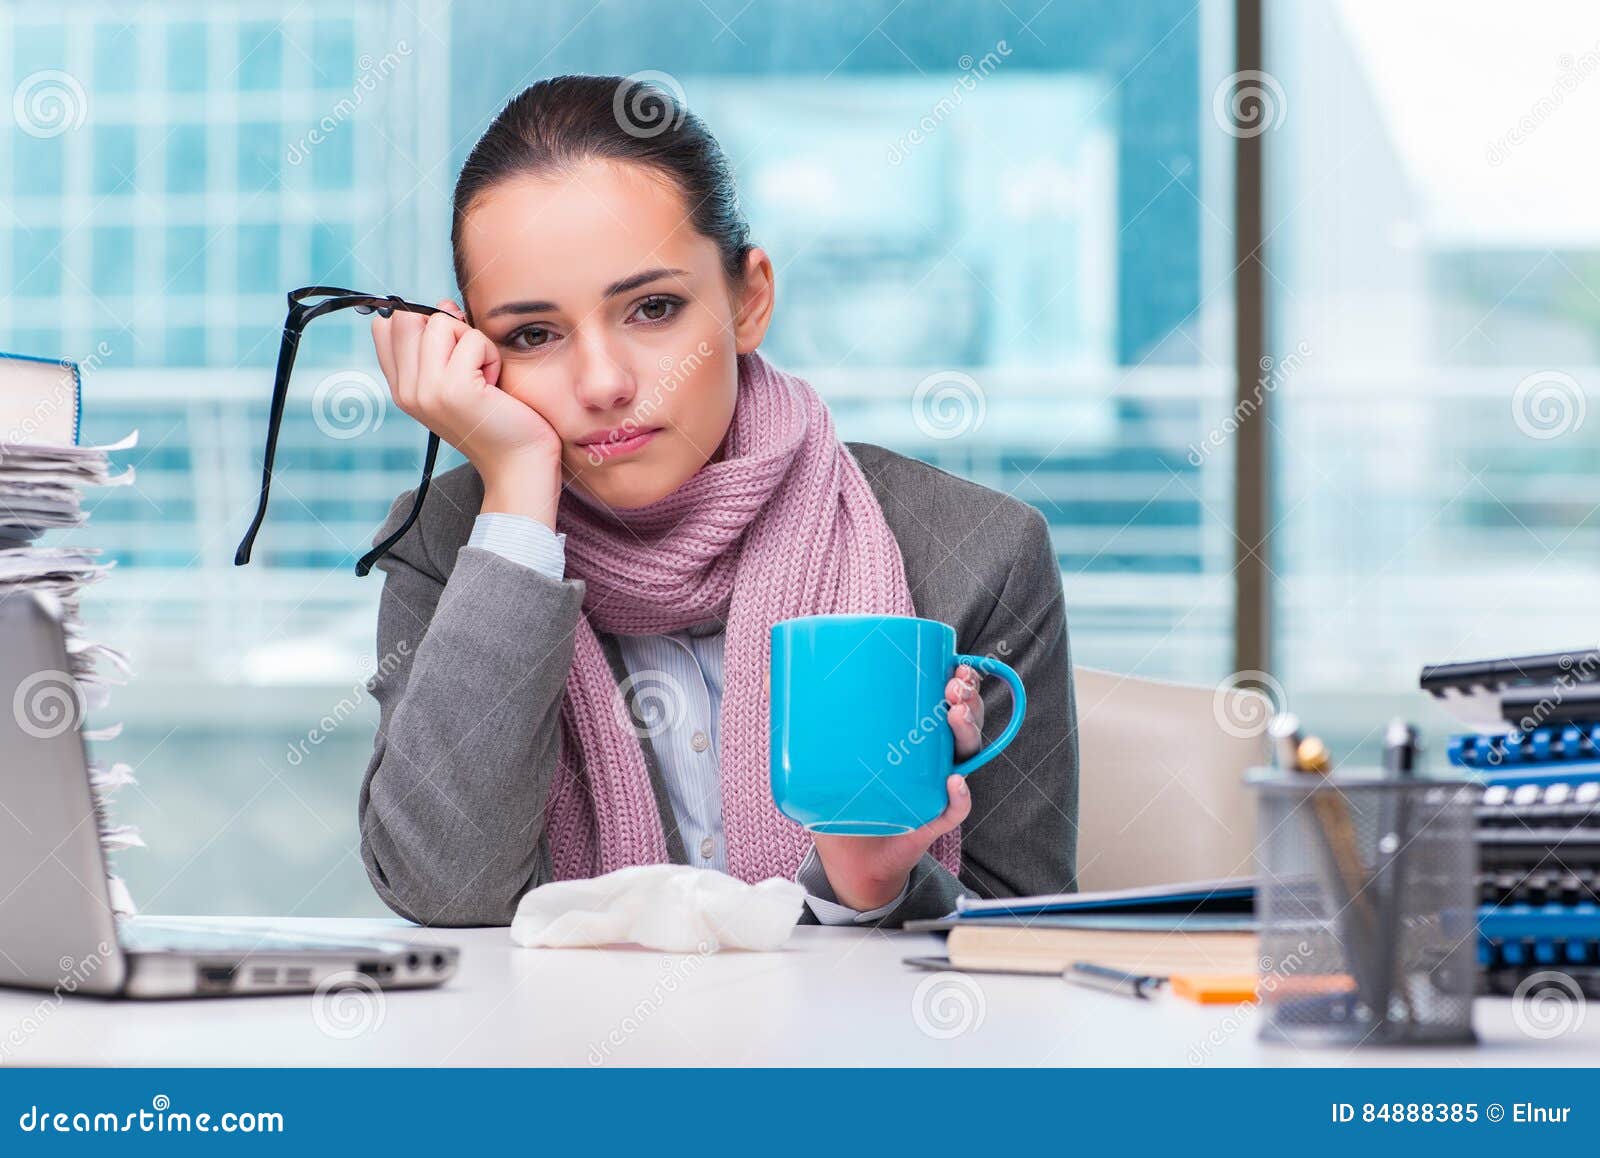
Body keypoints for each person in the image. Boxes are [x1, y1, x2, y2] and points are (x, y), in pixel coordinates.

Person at [356, 75, 1077, 928]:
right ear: (473, 352)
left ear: (748, 300)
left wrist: (865, 888)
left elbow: (1025, 940)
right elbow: (446, 887)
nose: (604, 383)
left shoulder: (978, 553)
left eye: (652, 308)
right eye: (533, 335)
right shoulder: (447, 545)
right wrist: (515, 496)